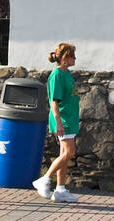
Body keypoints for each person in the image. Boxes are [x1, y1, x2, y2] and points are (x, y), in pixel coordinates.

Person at [33, 43, 80, 202]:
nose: (75, 58)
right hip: (63, 119)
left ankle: (60, 189)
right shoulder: (57, 75)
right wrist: (58, 122)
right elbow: (54, 101)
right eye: (72, 55)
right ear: (65, 58)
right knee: (69, 153)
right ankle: (45, 179)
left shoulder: (67, 74)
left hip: (70, 118)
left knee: (64, 155)